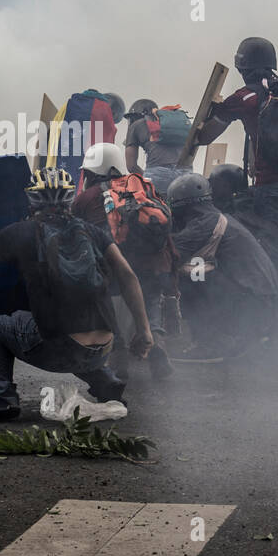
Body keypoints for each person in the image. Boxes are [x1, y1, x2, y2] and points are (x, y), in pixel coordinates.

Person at [0, 166, 155, 421]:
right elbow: (128, 276)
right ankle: (108, 385)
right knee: (76, 332)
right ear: (70, 198)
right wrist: (144, 330)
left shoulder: (20, 232)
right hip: (104, 348)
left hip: (58, 350)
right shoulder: (92, 232)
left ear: (30, 198)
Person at [196, 38, 278, 348]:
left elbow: (205, 136)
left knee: (269, 256)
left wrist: (213, 110)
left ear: (242, 67)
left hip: (270, 187)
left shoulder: (245, 97)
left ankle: (272, 330)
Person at [73, 142, 174, 379]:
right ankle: (158, 348)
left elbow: (76, 233)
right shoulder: (143, 186)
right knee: (150, 305)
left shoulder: (87, 197)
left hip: (115, 264)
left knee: (108, 310)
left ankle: (119, 364)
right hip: (154, 262)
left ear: (90, 172)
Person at [168, 173, 278, 361]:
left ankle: (211, 344)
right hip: (261, 300)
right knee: (197, 270)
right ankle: (244, 336)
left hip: (254, 303)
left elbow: (173, 252)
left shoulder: (207, 223)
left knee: (192, 275)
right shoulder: (216, 217)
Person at [122, 99, 192, 197]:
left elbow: (131, 166)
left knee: (152, 209)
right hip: (185, 173)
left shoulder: (136, 125)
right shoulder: (168, 125)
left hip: (158, 174)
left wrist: (147, 178)